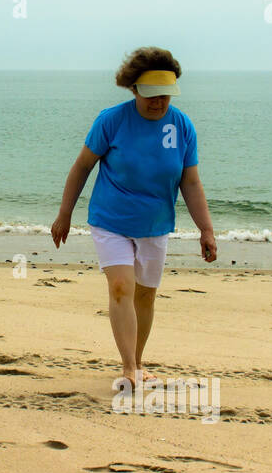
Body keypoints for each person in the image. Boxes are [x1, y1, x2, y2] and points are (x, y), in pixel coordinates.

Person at [51, 47, 216, 387]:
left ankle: (138, 362)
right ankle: (128, 368)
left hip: (155, 224)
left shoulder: (182, 126)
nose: (158, 102)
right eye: (151, 94)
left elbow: (191, 181)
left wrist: (206, 230)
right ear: (134, 89)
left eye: (164, 95)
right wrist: (64, 214)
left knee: (145, 294)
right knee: (122, 287)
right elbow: (82, 166)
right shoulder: (111, 120)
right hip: (110, 219)